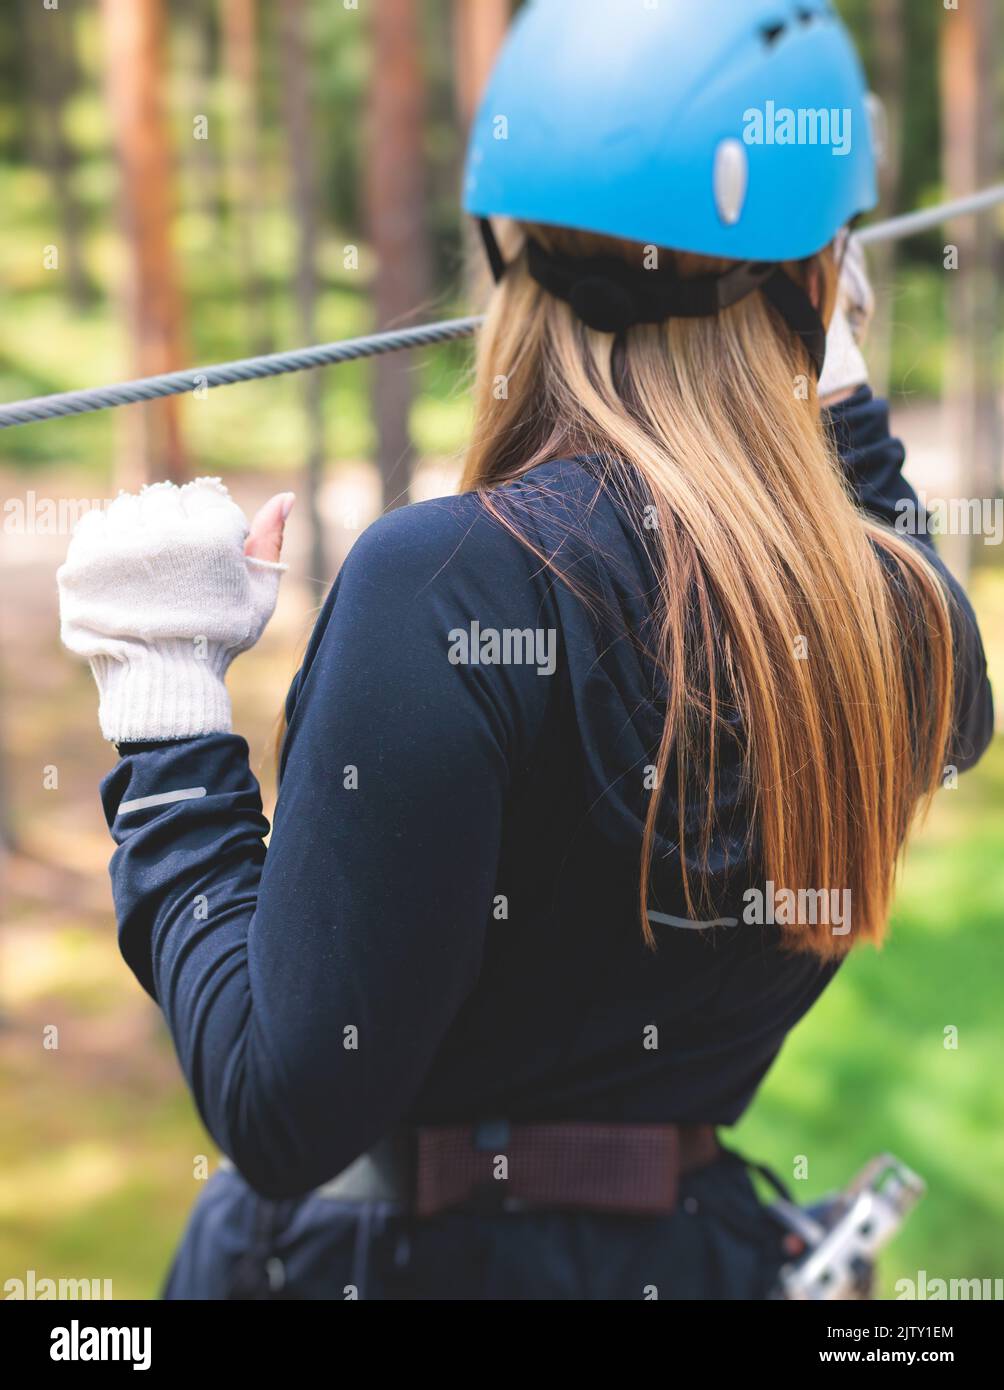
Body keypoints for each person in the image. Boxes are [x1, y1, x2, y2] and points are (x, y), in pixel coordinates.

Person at [58, 1, 993, 1300]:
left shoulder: (446, 587)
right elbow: (930, 615)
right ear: (830, 268)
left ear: (509, 242)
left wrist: (164, 712)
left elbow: (283, 1108)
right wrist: (832, 401)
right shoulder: (898, 635)